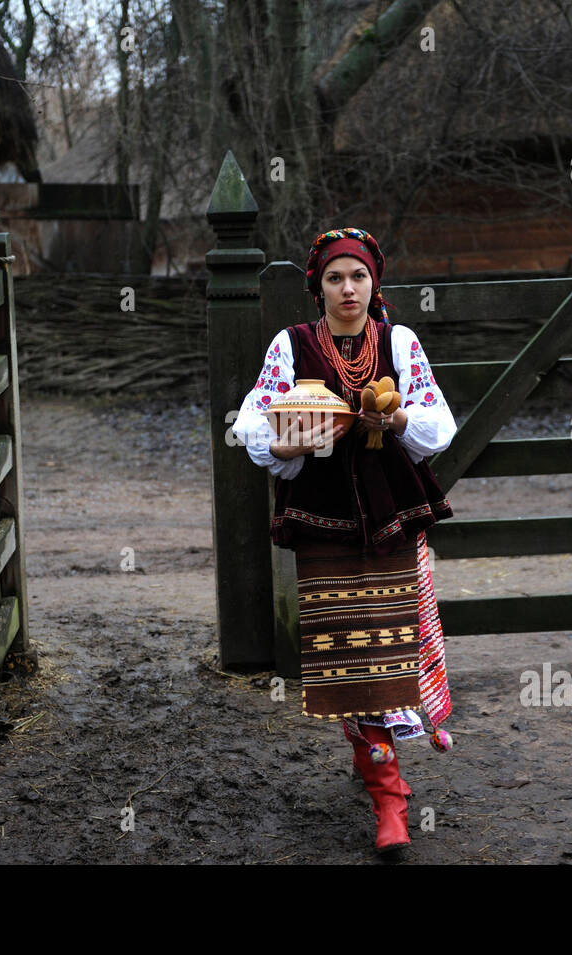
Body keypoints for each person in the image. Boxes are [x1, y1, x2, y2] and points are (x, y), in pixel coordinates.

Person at [231, 226, 458, 853]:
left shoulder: (400, 342)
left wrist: (400, 416)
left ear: (374, 283)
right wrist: (286, 441)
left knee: (391, 648)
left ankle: (389, 795)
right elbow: (254, 418)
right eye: (335, 277)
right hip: (325, 517)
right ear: (318, 288)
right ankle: (383, 782)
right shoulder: (292, 345)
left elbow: (438, 421)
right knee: (348, 660)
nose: (348, 288)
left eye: (357, 276)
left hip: (391, 513)